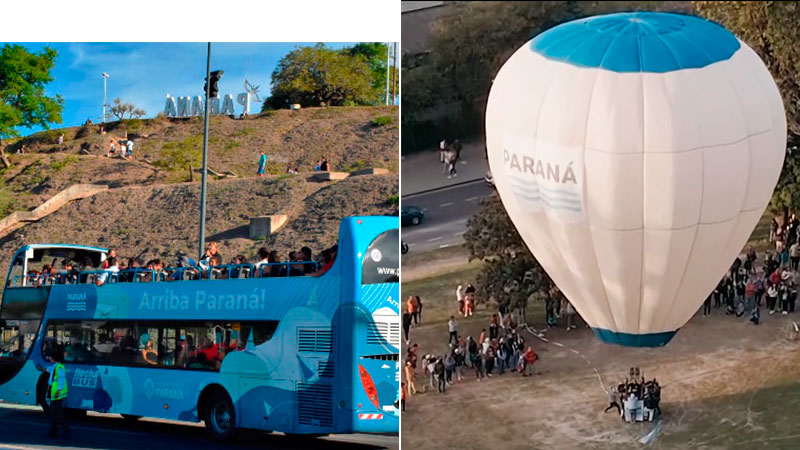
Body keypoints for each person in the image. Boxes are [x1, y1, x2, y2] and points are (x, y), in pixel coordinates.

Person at [36, 350, 70, 438]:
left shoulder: (59, 368)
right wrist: (41, 368)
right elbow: (49, 370)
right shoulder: (55, 366)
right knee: (54, 413)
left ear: (54, 358)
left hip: (57, 394)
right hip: (54, 393)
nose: (49, 358)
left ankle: (66, 429)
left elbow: (61, 380)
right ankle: (52, 432)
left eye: (51, 357)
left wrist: (58, 391)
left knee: (56, 414)